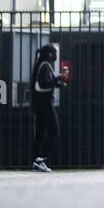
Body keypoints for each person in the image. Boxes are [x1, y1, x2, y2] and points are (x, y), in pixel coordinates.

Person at [30, 43, 69, 173]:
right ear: (50, 54)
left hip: (37, 104)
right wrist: (58, 79)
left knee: (40, 134)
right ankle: (41, 159)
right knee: (54, 132)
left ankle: (36, 161)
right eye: (55, 53)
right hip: (45, 103)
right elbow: (44, 83)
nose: (56, 55)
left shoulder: (39, 64)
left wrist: (59, 83)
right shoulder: (46, 66)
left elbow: (44, 83)